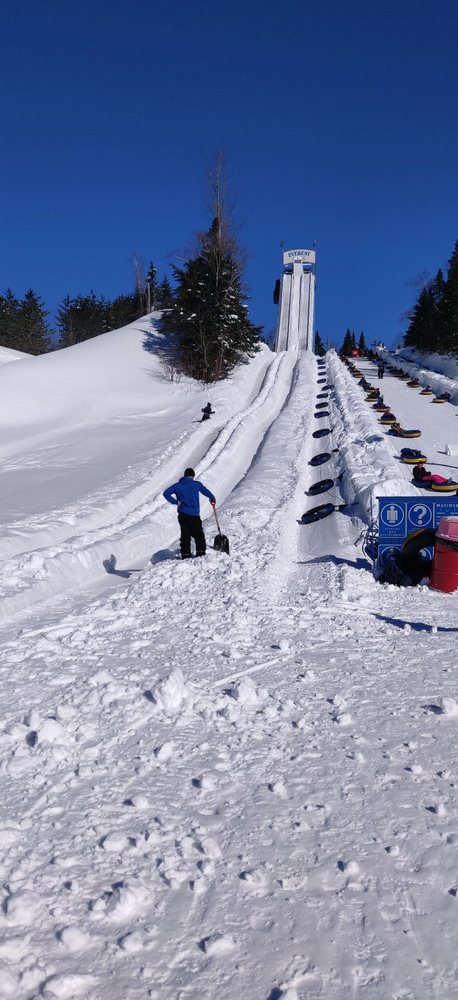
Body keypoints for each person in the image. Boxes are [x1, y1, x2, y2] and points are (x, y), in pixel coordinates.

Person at [163, 468, 216, 559]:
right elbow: (206, 492)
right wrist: (212, 498)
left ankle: (185, 554)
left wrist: (175, 502)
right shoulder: (196, 484)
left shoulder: (177, 485)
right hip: (194, 514)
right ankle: (200, 553)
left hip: (182, 514)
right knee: (198, 534)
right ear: (193, 476)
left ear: (184, 476)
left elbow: (166, 493)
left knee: (185, 534)